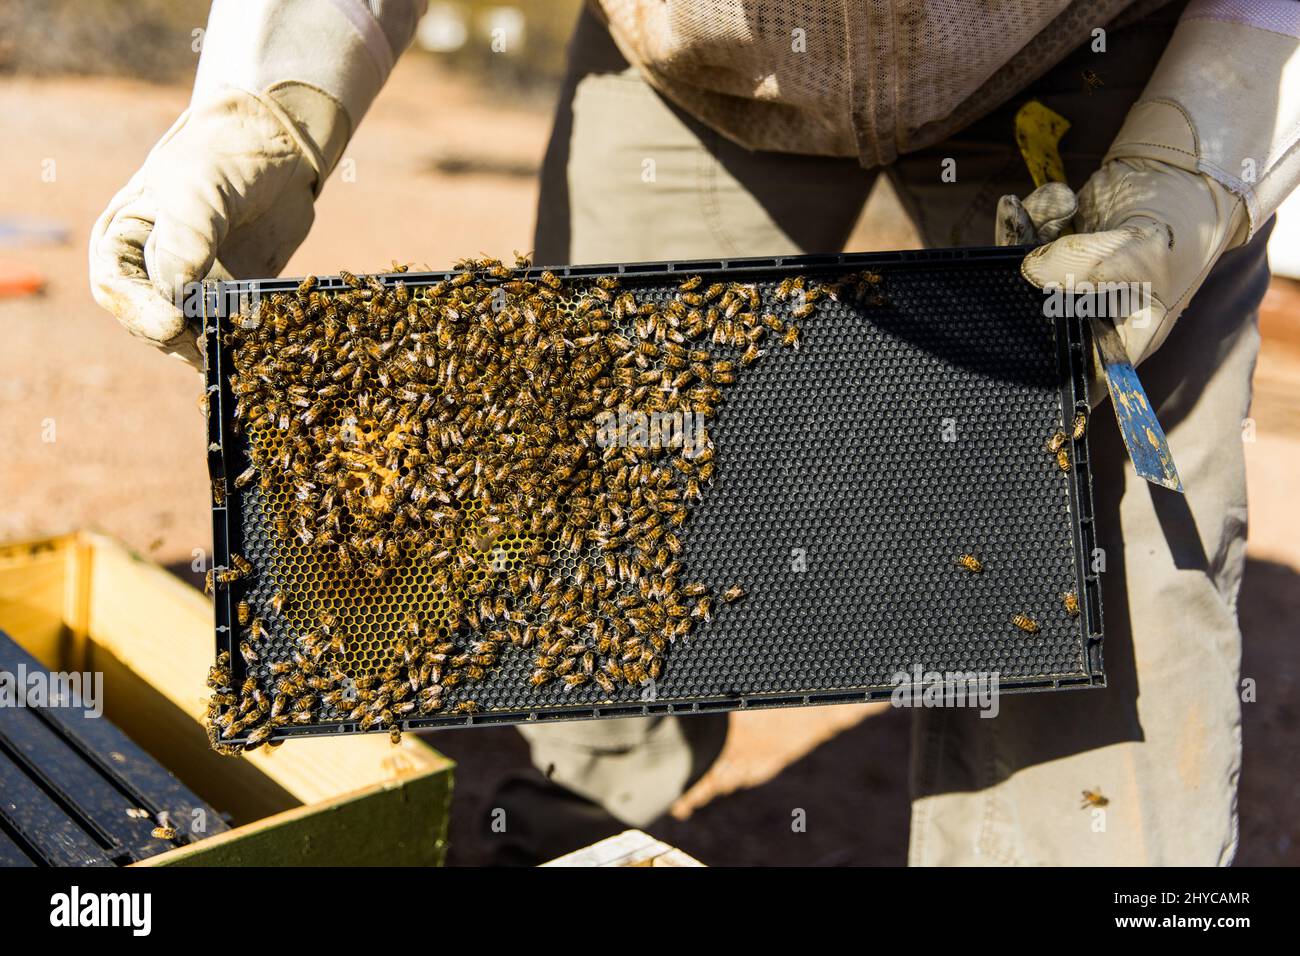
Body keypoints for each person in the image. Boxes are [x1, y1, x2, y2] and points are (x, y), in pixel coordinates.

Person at [90, 0, 1300, 865]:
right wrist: (273, 102)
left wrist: (1197, 162)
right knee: (598, 532)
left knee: (1100, 605)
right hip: (699, 74)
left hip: (1106, 60)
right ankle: (584, 830)